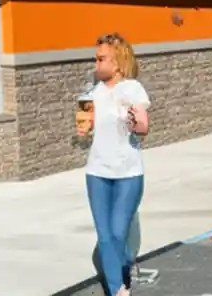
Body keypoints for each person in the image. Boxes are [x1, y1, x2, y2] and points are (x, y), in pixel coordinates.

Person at [76, 32, 150, 296]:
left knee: (118, 233)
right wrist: (83, 134)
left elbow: (143, 129)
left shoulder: (132, 89)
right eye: (95, 59)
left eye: (101, 58)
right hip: (97, 173)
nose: (96, 64)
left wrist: (134, 122)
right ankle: (118, 290)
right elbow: (84, 140)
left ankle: (126, 269)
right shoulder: (90, 94)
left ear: (117, 62)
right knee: (105, 236)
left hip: (128, 173)